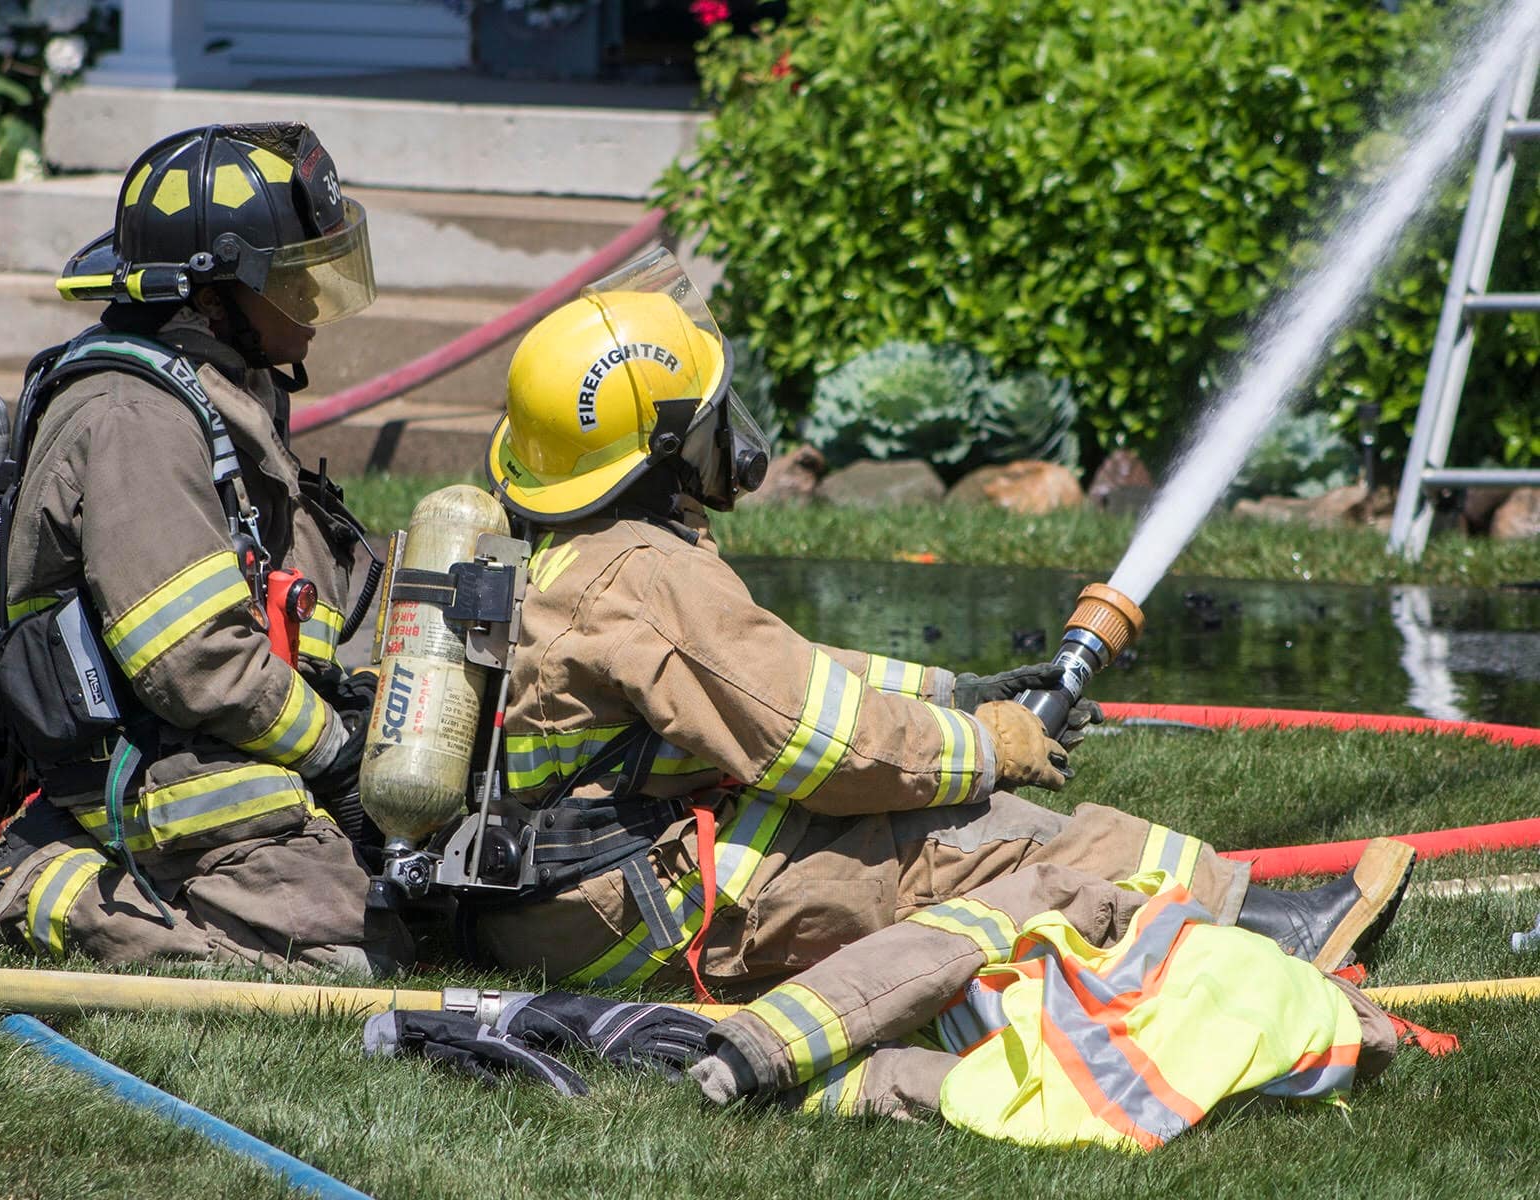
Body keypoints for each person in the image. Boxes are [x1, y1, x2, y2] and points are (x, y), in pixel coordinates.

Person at [467, 247, 1413, 996]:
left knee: (955, 813)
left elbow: (769, 671)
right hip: (631, 914)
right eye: (711, 417)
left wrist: (952, 692)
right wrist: (990, 743)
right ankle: (1271, 933)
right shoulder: (648, 575)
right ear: (666, 444)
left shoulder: (573, 549)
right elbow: (824, 745)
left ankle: (1234, 914)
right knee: (980, 838)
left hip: (563, 893)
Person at [0, 123, 410, 975]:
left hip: (222, 730)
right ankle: (38, 885)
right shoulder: (135, 422)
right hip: (144, 753)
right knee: (353, 940)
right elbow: (194, 660)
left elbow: (308, 579)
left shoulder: (223, 388)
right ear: (211, 299)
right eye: (289, 277)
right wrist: (338, 759)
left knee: (431, 888)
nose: (312, 299)